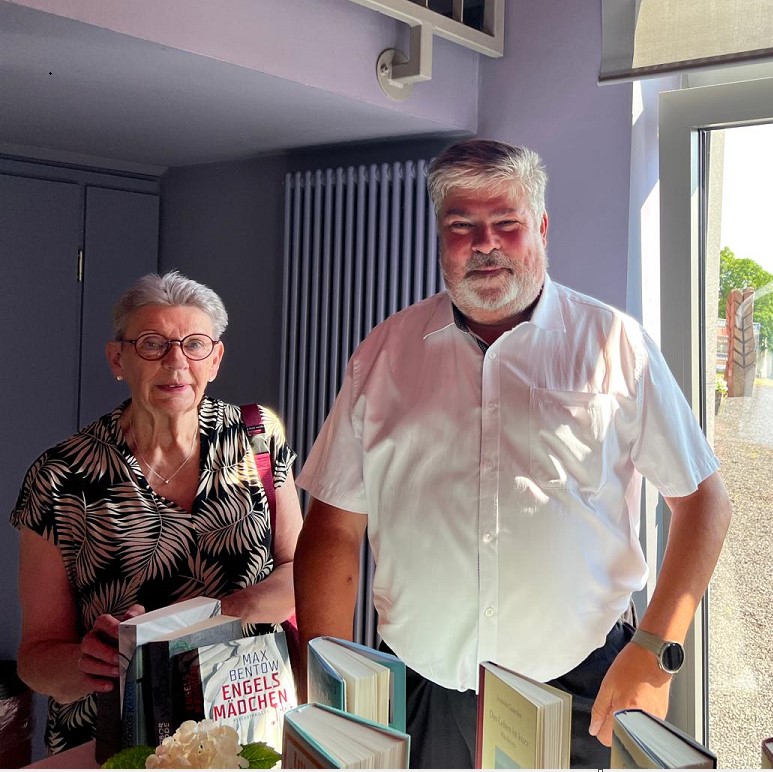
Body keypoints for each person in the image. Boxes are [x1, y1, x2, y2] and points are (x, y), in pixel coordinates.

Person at [293, 139, 732, 768]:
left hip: (583, 688)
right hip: (422, 690)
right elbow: (334, 527)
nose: (484, 244)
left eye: (506, 222)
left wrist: (655, 652)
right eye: (461, 226)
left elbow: (704, 503)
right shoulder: (384, 354)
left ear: (542, 227)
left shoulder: (614, 345)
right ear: (439, 236)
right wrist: (328, 686)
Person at [10, 270, 303, 755]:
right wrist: (88, 663)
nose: (176, 361)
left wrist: (211, 619)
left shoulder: (258, 438)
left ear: (215, 359)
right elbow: (35, 657)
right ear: (117, 359)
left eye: (194, 344)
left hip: (249, 722)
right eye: (152, 344)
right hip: (117, 742)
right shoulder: (59, 476)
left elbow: (300, 571)